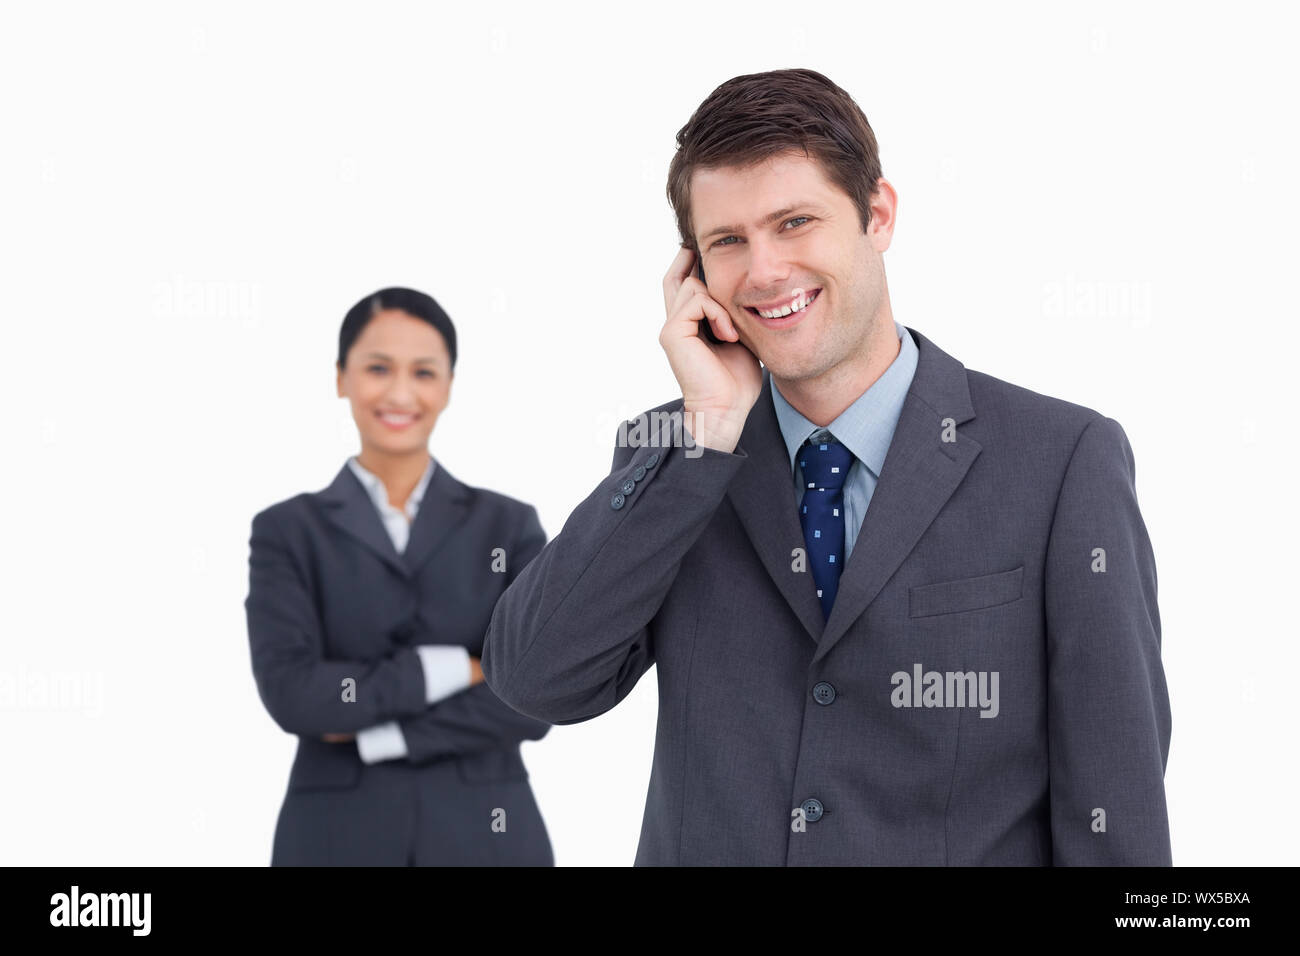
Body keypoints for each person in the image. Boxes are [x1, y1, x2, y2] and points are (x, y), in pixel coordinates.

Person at [482, 69, 1172, 865]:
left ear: (877, 214)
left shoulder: (1060, 461)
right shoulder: (678, 455)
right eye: (727, 242)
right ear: (692, 272)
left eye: (795, 222)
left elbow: (1116, 815)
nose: (765, 271)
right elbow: (536, 681)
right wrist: (704, 431)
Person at [245, 287, 554, 866]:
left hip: (488, 838)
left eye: (424, 371)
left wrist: (381, 735)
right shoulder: (287, 531)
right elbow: (295, 697)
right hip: (334, 839)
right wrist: (453, 669)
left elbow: (535, 697)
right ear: (341, 377)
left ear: (449, 385)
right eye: (378, 368)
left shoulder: (508, 525)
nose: (400, 392)